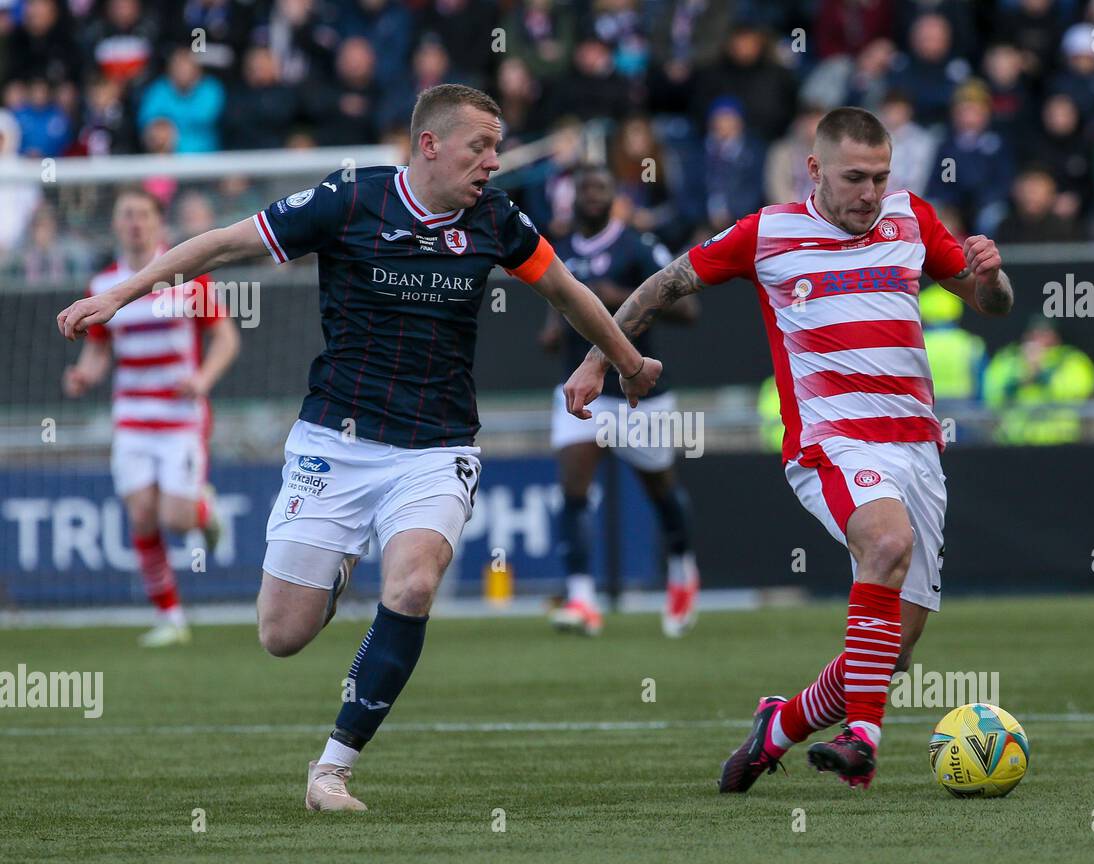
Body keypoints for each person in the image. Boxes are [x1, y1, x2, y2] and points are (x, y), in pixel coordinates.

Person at [57, 84, 659, 812]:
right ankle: (336, 572)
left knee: (411, 586)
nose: (495, 163)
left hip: (436, 446)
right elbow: (222, 243)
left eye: (497, 148)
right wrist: (126, 292)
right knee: (282, 635)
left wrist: (622, 360)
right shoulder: (347, 201)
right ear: (429, 145)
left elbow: (566, 291)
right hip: (334, 444)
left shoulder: (497, 219)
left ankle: (331, 770)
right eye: (482, 148)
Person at [563, 106, 1013, 794]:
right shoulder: (767, 233)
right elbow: (665, 284)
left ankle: (779, 726)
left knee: (893, 652)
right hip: (830, 442)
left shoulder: (912, 218)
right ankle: (862, 737)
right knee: (886, 545)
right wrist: (602, 359)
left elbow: (991, 304)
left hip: (917, 448)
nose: (869, 192)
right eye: (854, 177)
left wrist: (991, 277)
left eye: (880, 177)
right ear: (815, 170)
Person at [61, 187, 239, 647]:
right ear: (116, 224)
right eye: (126, 215)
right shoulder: (102, 286)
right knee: (141, 515)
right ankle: (171, 617)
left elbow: (225, 339)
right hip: (132, 416)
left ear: (159, 223)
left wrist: (201, 380)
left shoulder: (187, 278)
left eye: (142, 214)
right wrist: (83, 376)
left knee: (177, 519)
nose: (134, 223)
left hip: (180, 415)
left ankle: (203, 509)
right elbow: (100, 351)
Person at [540, 164, 700, 638]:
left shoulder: (637, 245)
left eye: (602, 188)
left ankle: (682, 569)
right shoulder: (560, 249)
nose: (593, 196)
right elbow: (555, 314)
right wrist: (552, 332)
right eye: (585, 188)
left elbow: (689, 309)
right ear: (571, 198)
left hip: (638, 395)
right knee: (572, 486)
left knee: (660, 488)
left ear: (616, 196)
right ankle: (582, 598)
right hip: (581, 392)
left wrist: (618, 298)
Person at [982, 315, 1094, 445]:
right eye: (1034, 334)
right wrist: (1020, 378)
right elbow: (991, 394)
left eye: (1045, 334)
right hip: (1015, 442)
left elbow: (1078, 389)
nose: (1039, 339)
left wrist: (1041, 373)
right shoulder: (1009, 359)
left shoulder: (1070, 359)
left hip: (1058, 442)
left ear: (1055, 337)